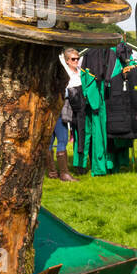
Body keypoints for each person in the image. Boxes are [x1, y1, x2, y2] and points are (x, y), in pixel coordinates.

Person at [47, 48, 80, 182]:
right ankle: (63, 174)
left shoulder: (51, 71)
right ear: (66, 61)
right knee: (61, 139)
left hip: (51, 108)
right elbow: (62, 91)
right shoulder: (63, 73)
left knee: (51, 141)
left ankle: (52, 173)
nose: (76, 61)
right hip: (58, 108)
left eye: (77, 58)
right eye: (73, 59)